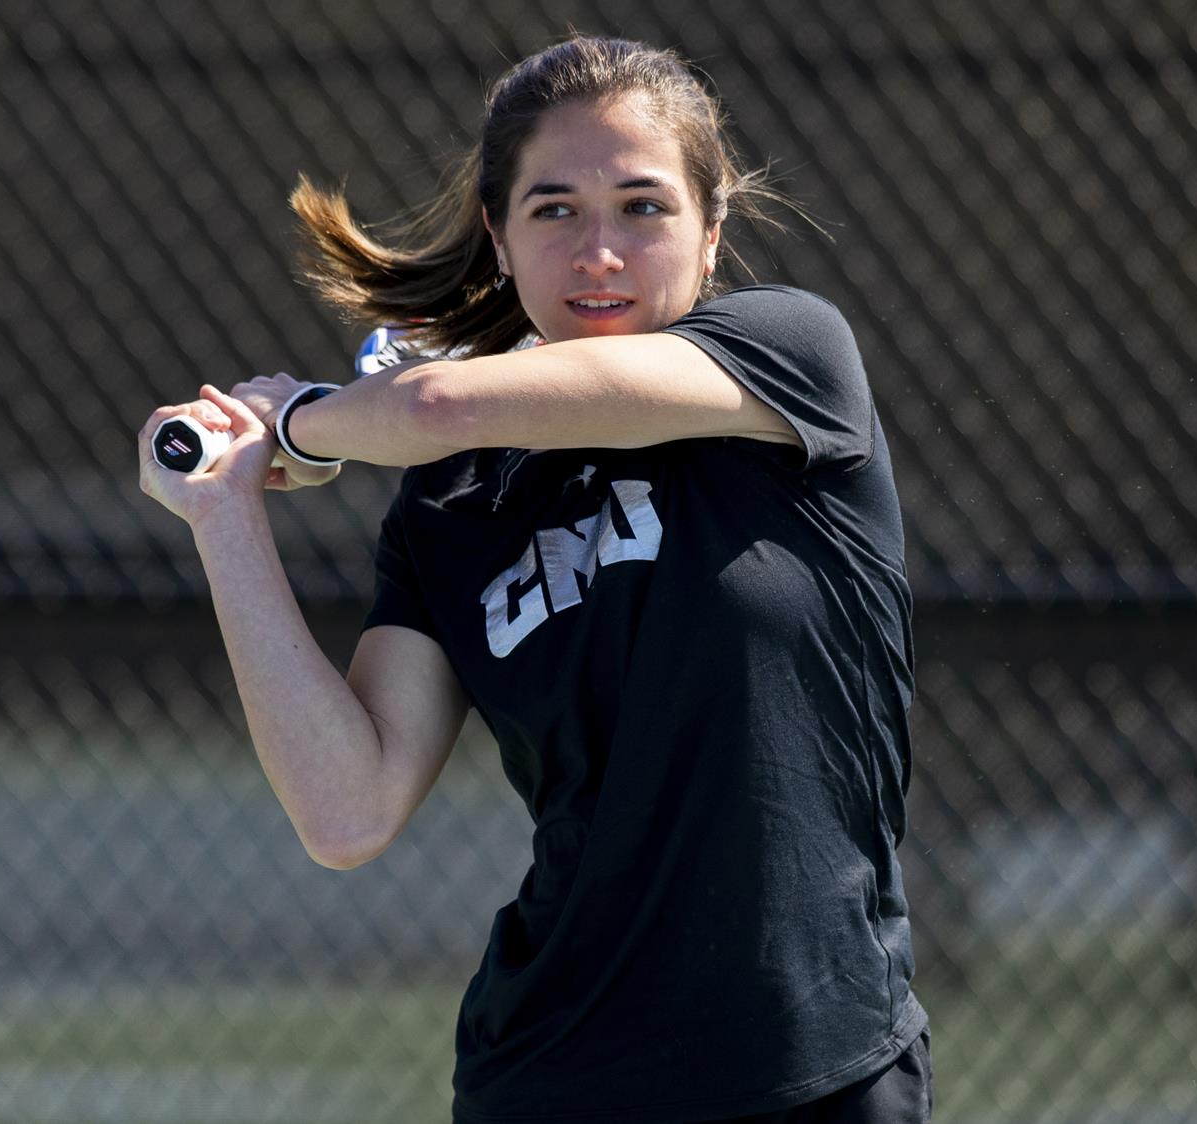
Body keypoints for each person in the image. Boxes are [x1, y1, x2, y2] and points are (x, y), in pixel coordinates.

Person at [137, 35, 930, 1124]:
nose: (597, 251)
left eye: (642, 208)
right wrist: (224, 511)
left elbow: (433, 406)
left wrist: (298, 425)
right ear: (499, 242)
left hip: (815, 1068)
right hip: (549, 1076)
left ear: (711, 234)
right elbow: (344, 807)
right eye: (553, 210)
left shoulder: (793, 361)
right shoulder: (456, 501)